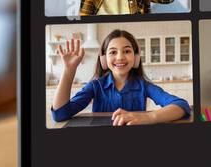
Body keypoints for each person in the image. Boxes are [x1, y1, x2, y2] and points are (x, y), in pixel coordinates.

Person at [51, 30, 189, 125]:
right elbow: (60, 114)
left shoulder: (144, 86)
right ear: (104, 59)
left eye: (127, 51)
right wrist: (69, 70)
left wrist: (148, 117)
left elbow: (181, 105)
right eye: (113, 52)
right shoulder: (95, 86)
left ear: (135, 58)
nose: (120, 57)